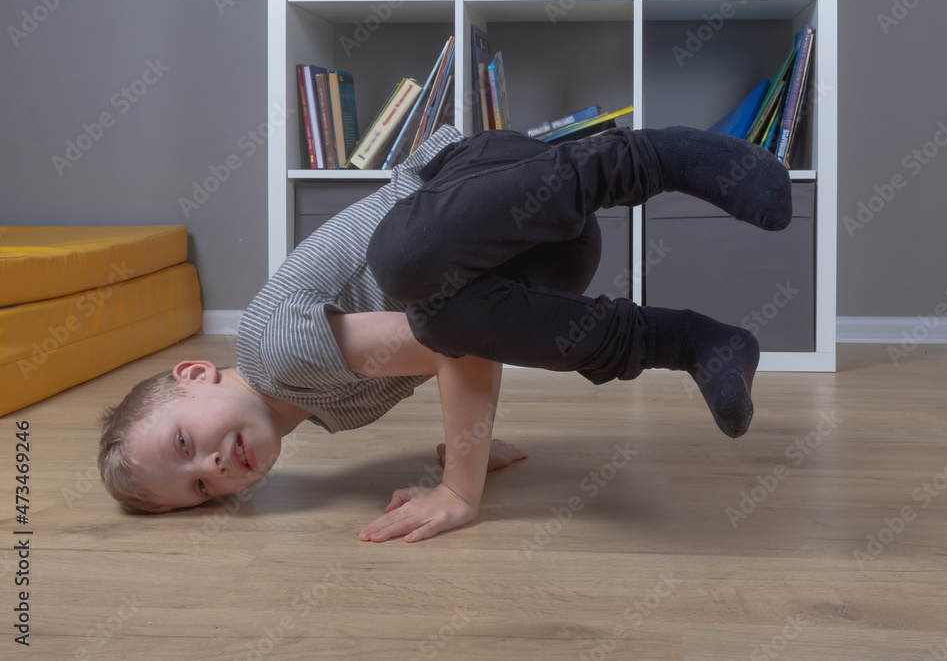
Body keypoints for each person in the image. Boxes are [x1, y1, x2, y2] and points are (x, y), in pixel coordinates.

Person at [98, 122, 792, 543]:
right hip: (546, 258)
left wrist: (459, 485)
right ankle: (698, 341)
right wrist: (467, 441)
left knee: (403, 264)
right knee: (445, 311)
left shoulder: (271, 349)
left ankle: (655, 157)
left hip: (492, 185)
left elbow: (443, 345)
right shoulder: (325, 410)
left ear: (193, 375)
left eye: (183, 443)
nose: (212, 470)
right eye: (199, 491)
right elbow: (461, 335)